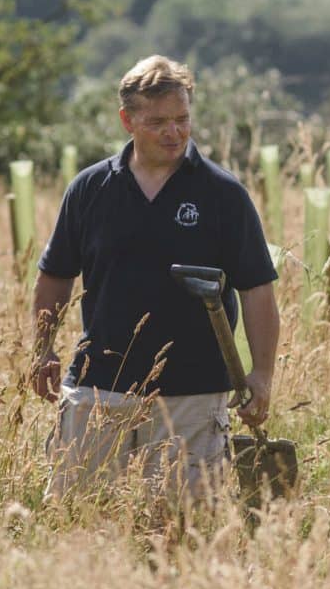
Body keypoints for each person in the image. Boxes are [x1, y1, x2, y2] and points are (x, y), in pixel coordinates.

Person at [31, 55, 280, 502]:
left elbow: (257, 288)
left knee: (185, 524)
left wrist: (261, 373)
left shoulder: (223, 194)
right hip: (98, 386)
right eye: (158, 122)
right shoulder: (89, 189)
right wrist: (42, 348)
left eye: (182, 119)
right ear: (127, 120)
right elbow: (55, 276)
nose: (174, 133)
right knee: (78, 514)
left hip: (194, 393)